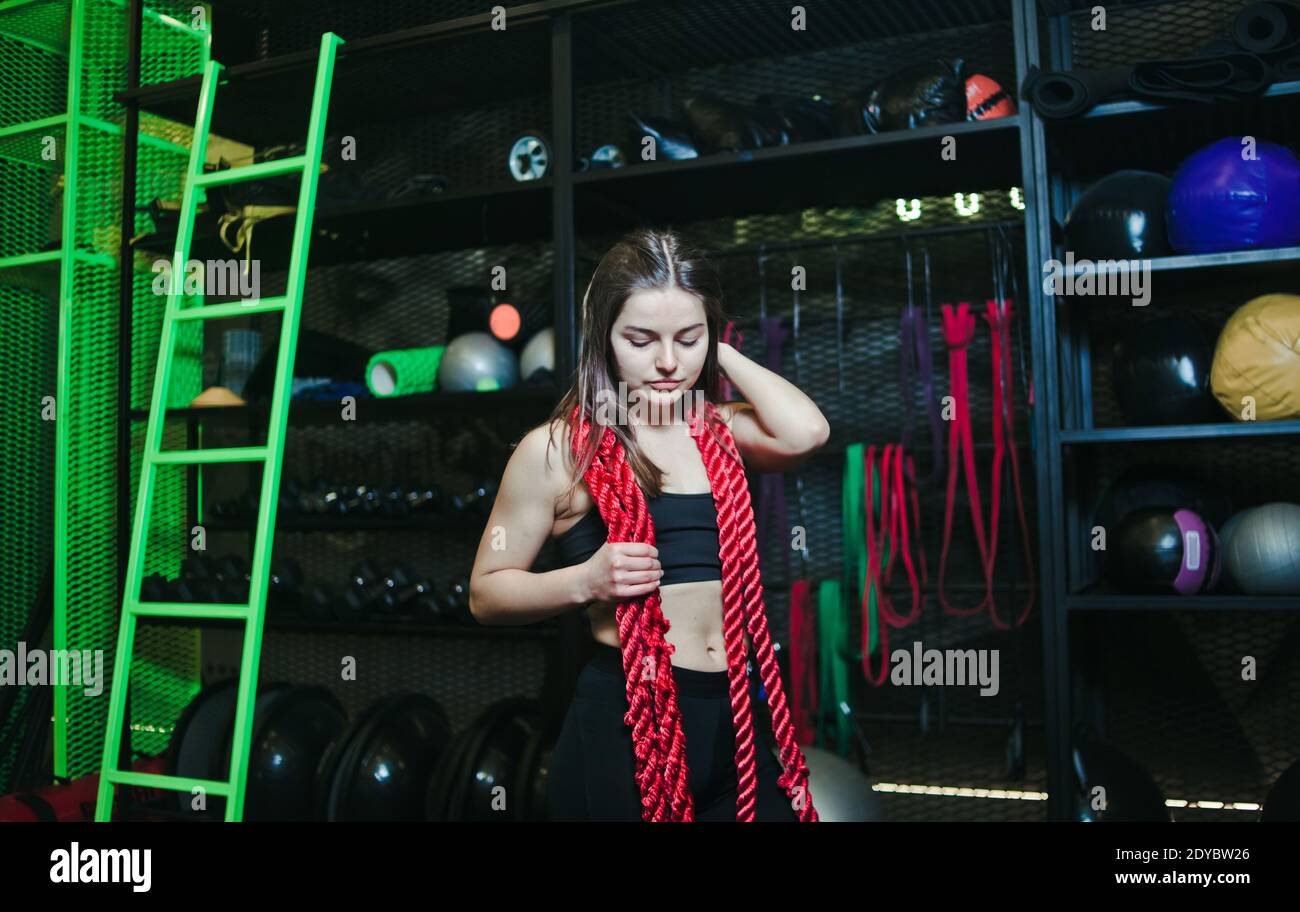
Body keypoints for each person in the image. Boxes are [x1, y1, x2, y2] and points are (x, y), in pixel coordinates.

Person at [468, 228, 830, 821]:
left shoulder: (716, 428)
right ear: (604, 338)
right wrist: (585, 581)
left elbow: (806, 432)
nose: (667, 362)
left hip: (735, 714)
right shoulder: (559, 451)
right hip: (629, 720)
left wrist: (714, 346)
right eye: (640, 340)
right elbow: (486, 592)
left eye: (687, 338)